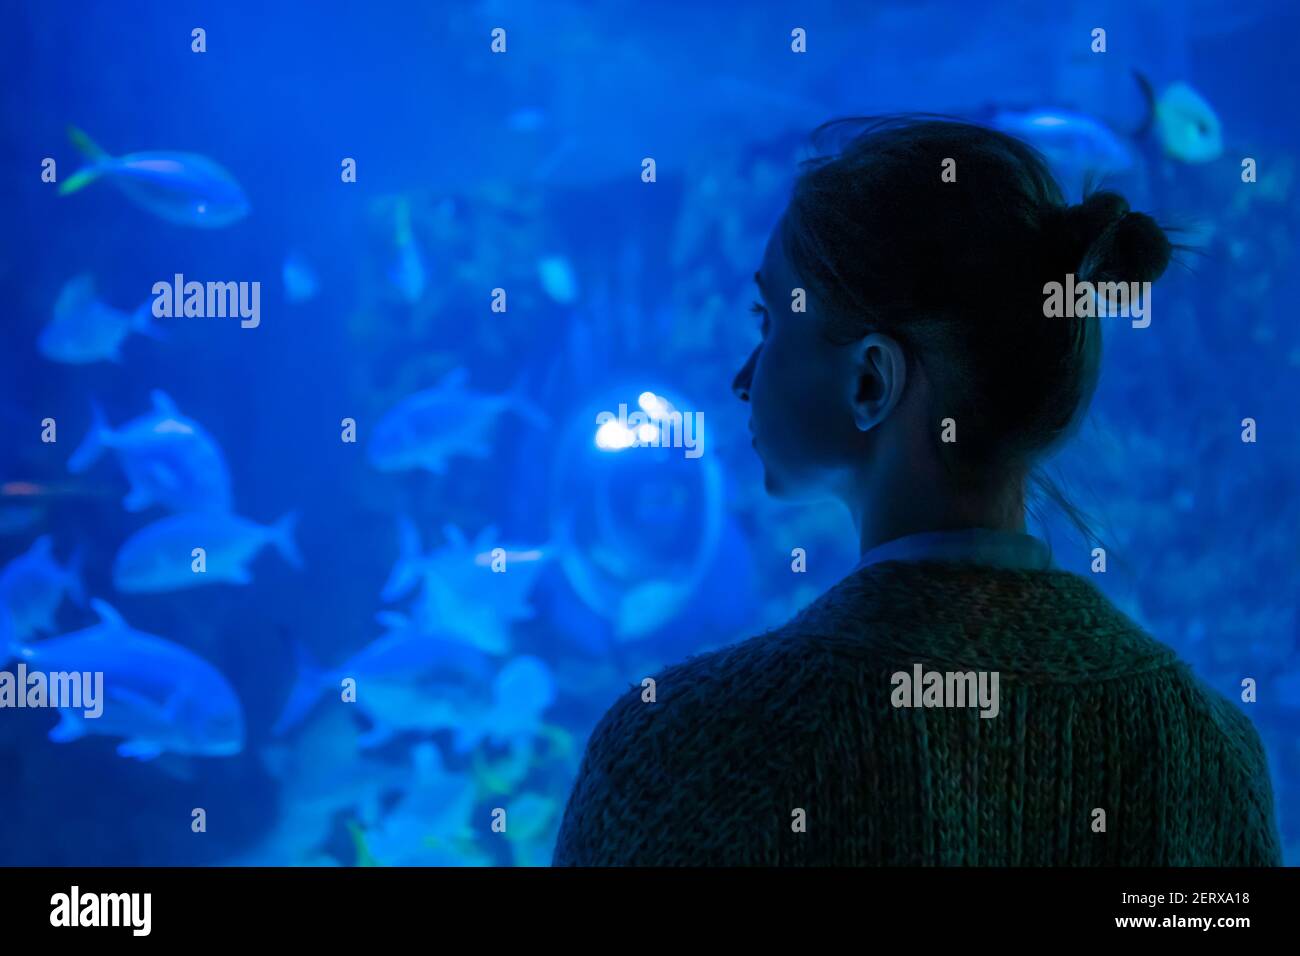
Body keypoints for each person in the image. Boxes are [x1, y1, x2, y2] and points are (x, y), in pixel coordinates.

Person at [551, 117, 1281, 866]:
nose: (743, 378)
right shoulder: (1206, 751)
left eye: (769, 322)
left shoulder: (677, 758)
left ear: (870, 380)